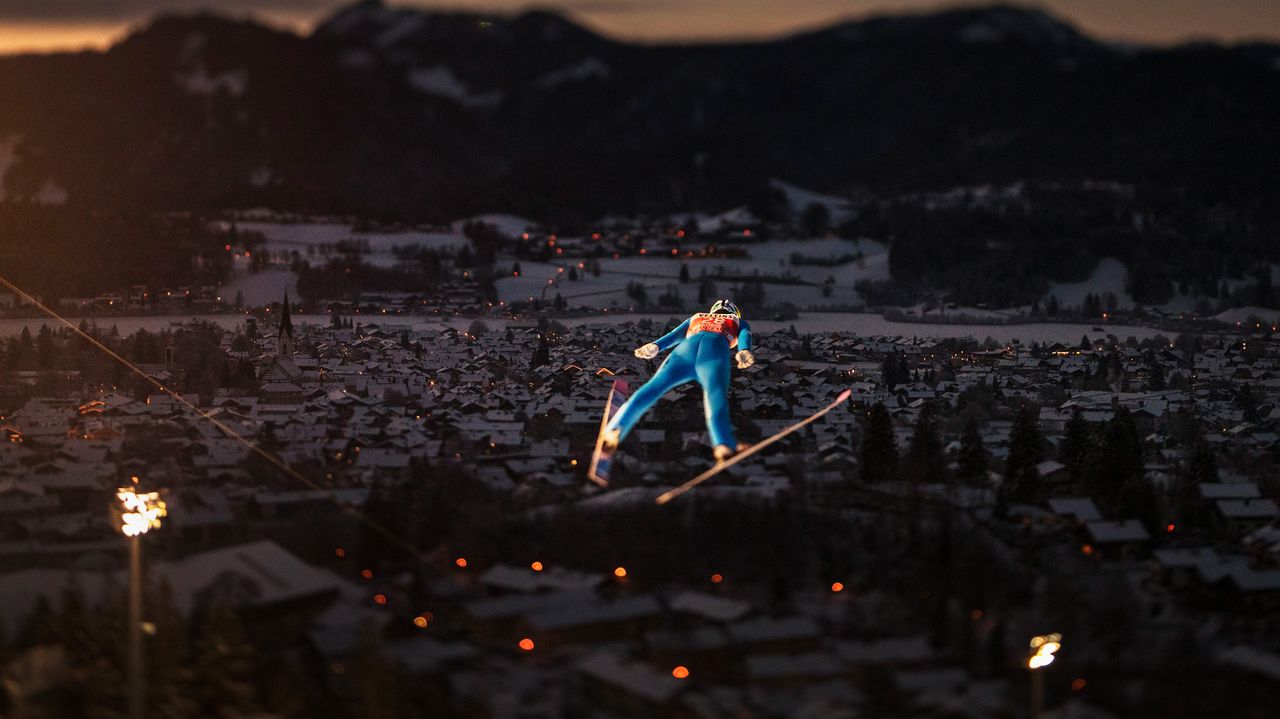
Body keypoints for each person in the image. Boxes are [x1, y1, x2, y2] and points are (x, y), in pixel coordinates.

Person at [603, 299, 755, 462]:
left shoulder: (697, 317)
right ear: (734, 313)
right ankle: (723, 444)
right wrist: (744, 350)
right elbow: (745, 335)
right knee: (714, 395)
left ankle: (616, 428)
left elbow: (676, 334)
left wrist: (656, 346)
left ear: (713, 311)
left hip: (684, 351)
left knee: (654, 387)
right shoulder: (737, 321)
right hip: (714, 351)